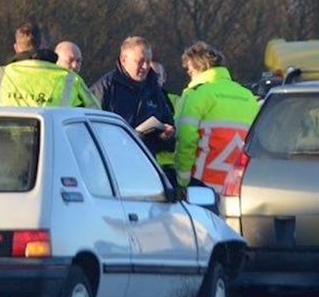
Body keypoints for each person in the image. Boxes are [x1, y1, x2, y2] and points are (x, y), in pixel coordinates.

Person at [174, 41, 259, 193]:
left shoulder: (195, 94)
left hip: (202, 186)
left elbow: (186, 141)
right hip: (236, 187)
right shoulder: (248, 96)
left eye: (189, 72)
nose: (190, 77)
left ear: (195, 67)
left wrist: (182, 179)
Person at [0, 21, 100, 107]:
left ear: (16, 48)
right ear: (41, 45)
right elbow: (96, 117)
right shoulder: (70, 79)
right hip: (56, 145)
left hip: (2, 145)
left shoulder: (0, 75)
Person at [90, 36, 175, 156]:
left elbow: (168, 125)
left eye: (148, 61)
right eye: (140, 61)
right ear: (124, 60)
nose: (145, 66)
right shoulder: (105, 88)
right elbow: (91, 131)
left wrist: (166, 136)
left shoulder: (154, 88)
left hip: (145, 163)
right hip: (113, 163)